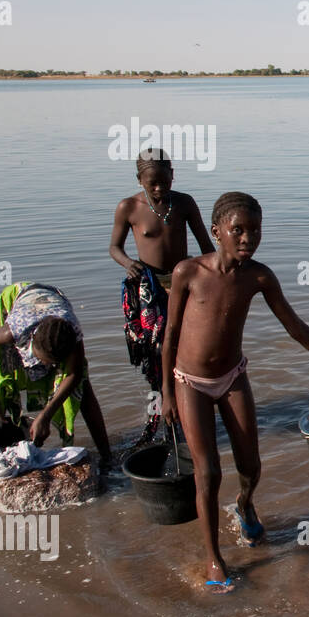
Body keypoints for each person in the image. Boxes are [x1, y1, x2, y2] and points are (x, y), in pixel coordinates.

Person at [162, 192, 309, 593]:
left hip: (232, 377)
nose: (248, 238)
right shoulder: (188, 272)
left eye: (255, 230)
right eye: (238, 230)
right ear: (217, 232)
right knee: (208, 472)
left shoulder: (259, 277)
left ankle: (245, 504)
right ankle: (215, 558)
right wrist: (165, 391)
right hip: (190, 383)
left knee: (251, 466)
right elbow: (169, 337)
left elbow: (294, 325)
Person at [109, 148, 214, 442]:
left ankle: (189, 405)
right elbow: (114, 247)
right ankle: (164, 408)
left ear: (173, 176)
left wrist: (219, 278)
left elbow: (206, 245)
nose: (158, 189)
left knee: (187, 346)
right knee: (157, 350)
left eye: (164, 182)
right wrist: (129, 263)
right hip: (150, 288)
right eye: (151, 183)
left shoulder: (184, 203)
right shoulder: (128, 208)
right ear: (139, 179)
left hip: (183, 283)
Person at [0, 282, 112, 465]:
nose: (47, 366)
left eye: (53, 364)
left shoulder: (72, 333)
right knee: (0, 375)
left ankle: (107, 456)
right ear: (32, 344)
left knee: (83, 387)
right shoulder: (15, 330)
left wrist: (46, 415)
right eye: (44, 361)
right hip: (18, 299)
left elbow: (74, 374)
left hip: (54, 305)